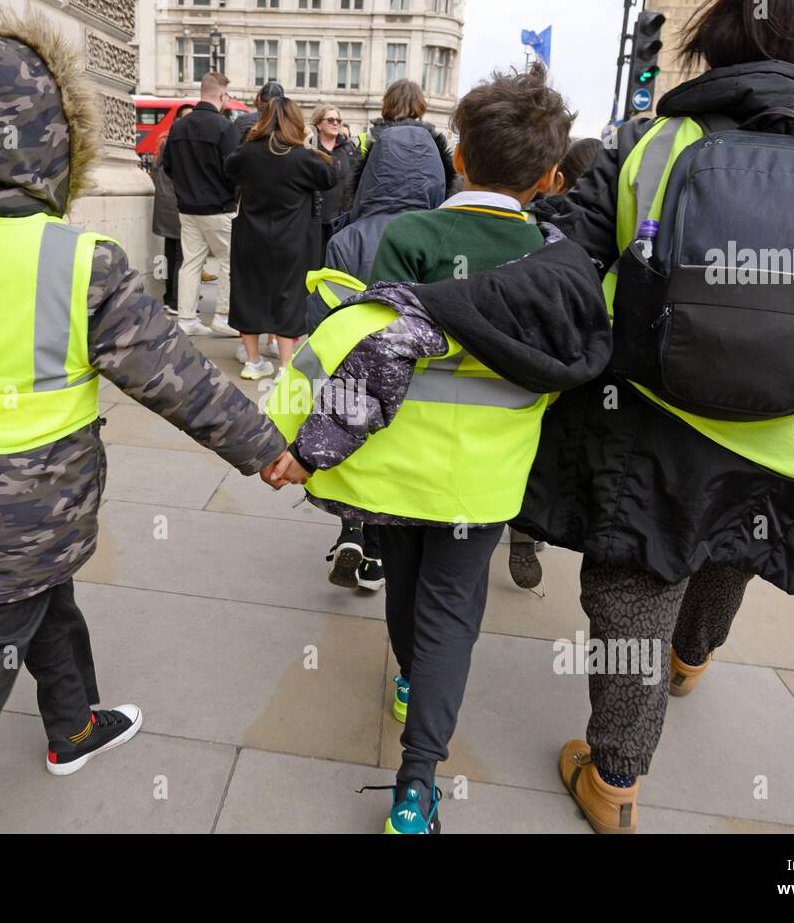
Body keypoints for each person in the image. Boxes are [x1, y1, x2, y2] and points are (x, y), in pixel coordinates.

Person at [420, 0, 794, 834]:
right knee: (732, 550)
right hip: (792, 434)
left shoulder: (650, 145)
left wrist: (443, 309)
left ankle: (617, 780)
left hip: (651, 423)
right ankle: (692, 656)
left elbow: (561, 270)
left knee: (635, 584)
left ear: (712, 39)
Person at [0, 9, 287, 833]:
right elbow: (178, 380)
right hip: (42, 508)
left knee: (51, 602)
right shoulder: (80, 260)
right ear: (49, 137)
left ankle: (73, 726)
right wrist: (268, 450)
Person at [264, 69, 601, 834]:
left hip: (392, 465)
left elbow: (375, 349)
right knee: (454, 611)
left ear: (457, 156)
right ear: (550, 178)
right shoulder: (552, 261)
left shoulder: (407, 237)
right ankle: (416, 789)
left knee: (405, 589)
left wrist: (309, 440)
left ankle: (410, 680)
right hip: (481, 480)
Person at [312, 121, 448, 592]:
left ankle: (350, 530)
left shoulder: (347, 238)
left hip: (352, 367)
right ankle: (376, 556)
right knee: (392, 463)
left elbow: (323, 316)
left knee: (353, 454)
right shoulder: (444, 235)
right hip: (417, 375)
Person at [507, 135, 605, 589]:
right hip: (590, 362)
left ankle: (520, 520)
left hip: (536, 357)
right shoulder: (624, 230)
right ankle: (526, 527)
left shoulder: (536, 227)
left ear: (558, 179)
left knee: (527, 439)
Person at [224, 97, 338, 378]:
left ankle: (253, 361)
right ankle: (286, 367)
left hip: (250, 236)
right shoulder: (302, 156)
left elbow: (229, 168)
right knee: (288, 297)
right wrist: (308, 144)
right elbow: (329, 178)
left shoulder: (249, 152)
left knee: (248, 292)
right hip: (291, 239)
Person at [161, 71, 241, 338]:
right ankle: (222, 316)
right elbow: (234, 170)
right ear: (221, 95)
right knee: (230, 262)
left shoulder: (179, 126)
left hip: (187, 208)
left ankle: (186, 318)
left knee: (190, 263)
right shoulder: (224, 127)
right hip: (219, 207)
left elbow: (169, 166)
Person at [344, 79, 459, 212]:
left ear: (387, 102)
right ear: (419, 104)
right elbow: (445, 186)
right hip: (420, 221)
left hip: (374, 220)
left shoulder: (368, 139)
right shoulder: (433, 142)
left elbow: (352, 190)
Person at [309, 105, 360, 258]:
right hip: (315, 221)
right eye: (330, 120)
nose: (335, 123)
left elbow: (354, 180)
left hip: (341, 221)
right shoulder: (310, 148)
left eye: (338, 120)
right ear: (318, 123)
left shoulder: (348, 148)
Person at [151, 127, 183, 313]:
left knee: (171, 251)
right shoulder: (177, 147)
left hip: (165, 203)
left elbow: (155, 170)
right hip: (176, 203)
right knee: (180, 255)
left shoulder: (164, 144)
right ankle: (175, 300)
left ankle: (170, 297)